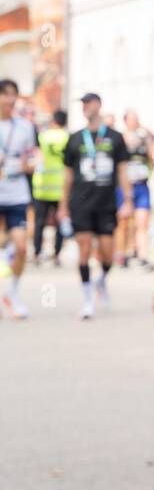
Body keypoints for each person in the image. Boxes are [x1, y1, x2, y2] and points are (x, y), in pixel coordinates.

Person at [60, 92, 132, 320]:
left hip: (106, 202)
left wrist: (128, 201)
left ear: (98, 105)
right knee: (83, 249)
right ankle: (88, 299)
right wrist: (63, 205)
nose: (84, 107)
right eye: (82, 104)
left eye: (87, 103)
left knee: (107, 253)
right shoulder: (75, 139)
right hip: (80, 202)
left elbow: (122, 171)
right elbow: (68, 174)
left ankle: (100, 281)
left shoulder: (115, 137)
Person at [0, 79, 38, 317]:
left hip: (17, 192)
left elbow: (33, 157)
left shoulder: (25, 127)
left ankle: (12, 292)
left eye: (13, 94)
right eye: (5, 94)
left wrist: (29, 165)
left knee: (22, 247)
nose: (9, 99)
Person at [32, 109, 69, 265]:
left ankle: (37, 253)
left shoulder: (43, 136)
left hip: (43, 187)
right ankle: (57, 254)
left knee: (39, 222)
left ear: (53, 121)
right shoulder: (69, 137)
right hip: (62, 187)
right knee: (60, 222)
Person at [120, 110, 154, 270]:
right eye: (132, 119)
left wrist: (147, 139)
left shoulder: (143, 138)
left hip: (141, 184)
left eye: (137, 119)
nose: (135, 122)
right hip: (125, 185)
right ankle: (124, 253)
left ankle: (142, 255)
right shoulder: (120, 138)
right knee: (124, 222)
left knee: (142, 222)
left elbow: (152, 156)